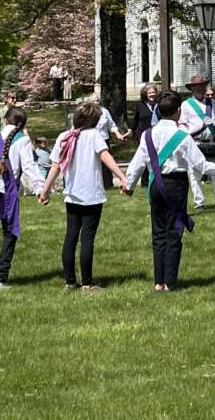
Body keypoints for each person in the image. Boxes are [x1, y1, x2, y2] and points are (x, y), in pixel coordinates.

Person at [123, 90, 215, 291]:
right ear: (178, 111)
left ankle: (158, 282)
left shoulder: (147, 134)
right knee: (174, 230)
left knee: (158, 232)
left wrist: (129, 185)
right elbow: (201, 165)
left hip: (155, 185)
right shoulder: (182, 136)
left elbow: (137, 163)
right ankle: (170, 282)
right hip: (175, 185)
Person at [41, 101, 127, 290]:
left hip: (72, 194)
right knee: (87, 238)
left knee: (71, 236)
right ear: (95, 121)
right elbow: (106, 156)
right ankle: (87, 282)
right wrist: (122, 176)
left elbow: (55, 166)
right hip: (91, 194)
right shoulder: (93, 135)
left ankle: (70, 281)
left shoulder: (64, 136)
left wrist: (45, 190)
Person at [0, 107, 45, 290]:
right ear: (23, 124)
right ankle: (1, 279)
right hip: (7, 191)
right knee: (10, 233)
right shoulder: (22, 140)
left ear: (6, 120)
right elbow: (29, 166)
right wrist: (40, 188)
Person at [179, 74, 215, 210]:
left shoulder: (213, 104)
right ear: (192, 88)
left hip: (211, 142)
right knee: (194, 174)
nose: (200, 89)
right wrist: (185, 139)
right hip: (194, 142)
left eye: (202, 86)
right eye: (196, 86)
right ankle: (199, 202)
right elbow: (182, 124)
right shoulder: (186, 105)